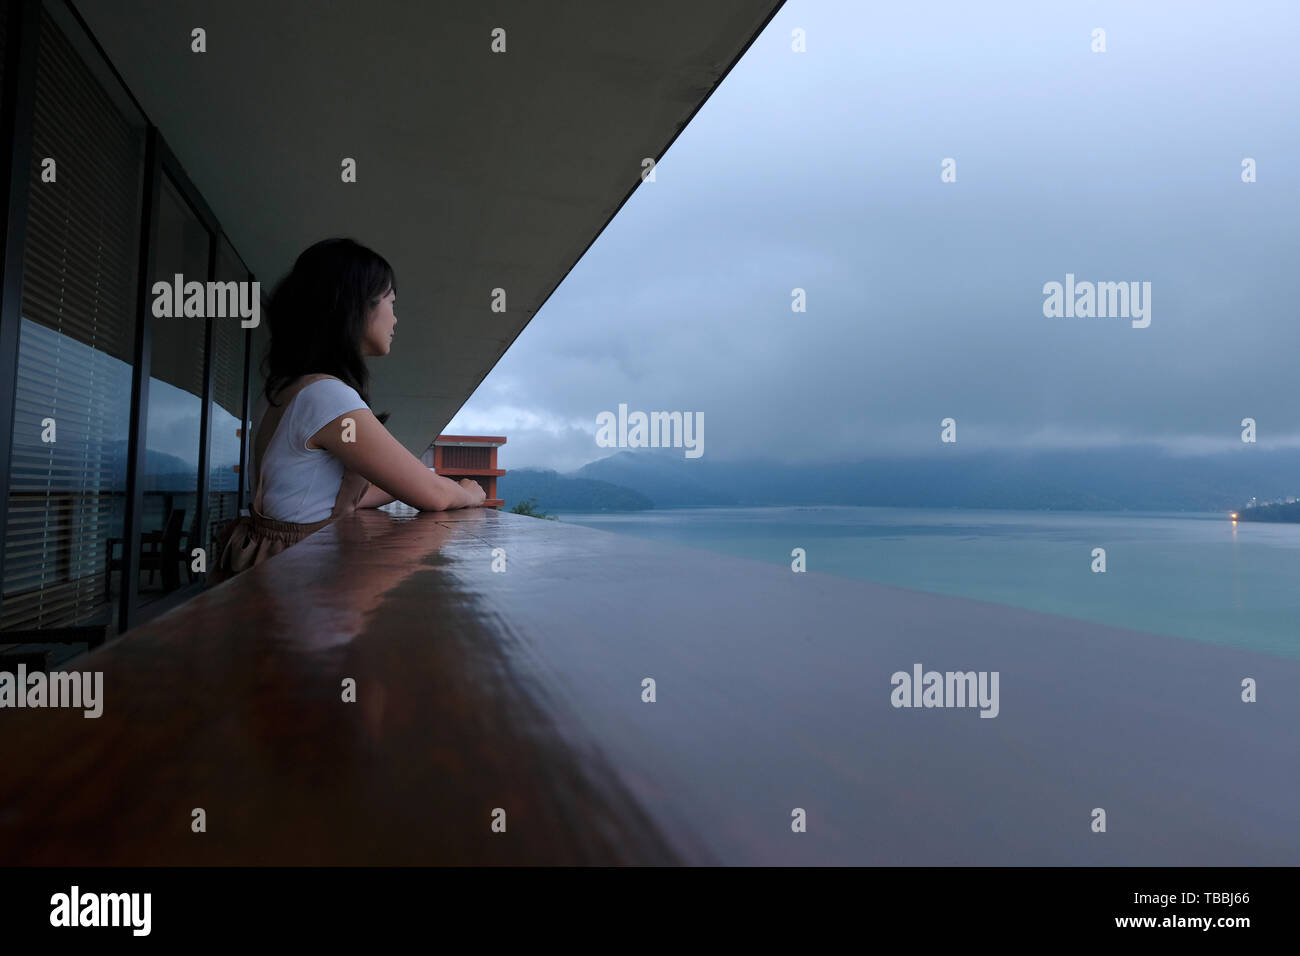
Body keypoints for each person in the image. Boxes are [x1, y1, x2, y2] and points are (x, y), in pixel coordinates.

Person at [211, 238, 486, 583]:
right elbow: (432, 497)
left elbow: (324, 498)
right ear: (356, 307)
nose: (396, 319)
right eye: (391, 302)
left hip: (272, 565)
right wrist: (469, 493)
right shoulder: (327, 396)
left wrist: (413, 478)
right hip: (301, 575)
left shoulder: (288, 389)